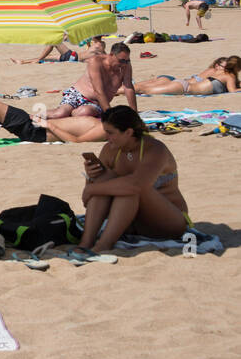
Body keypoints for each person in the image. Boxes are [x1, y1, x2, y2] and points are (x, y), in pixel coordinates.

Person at [78, 106, 188, 252]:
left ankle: (103, 245)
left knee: (130, 189)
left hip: (168, 222)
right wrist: (92, 178)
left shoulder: (155, 149)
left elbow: (136, 185)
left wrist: (91, 188)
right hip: (132, 222)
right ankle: (86, 243)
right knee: (107, 183)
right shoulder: (110, 150)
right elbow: (89, 201)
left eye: (110, 133)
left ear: (129, 132)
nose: (106, 137)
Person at [0, 99, 108, 149]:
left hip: (37, 132)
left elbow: (76, 141)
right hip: (38, 126)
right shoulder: (100, 124)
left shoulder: (102, 130)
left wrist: (49, 125)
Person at [46, 43, 136, 119]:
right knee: (60, 114)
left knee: (84, 112)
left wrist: (134, 114)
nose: (124, 63)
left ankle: (71, 115)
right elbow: (98, 91)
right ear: (111, 55)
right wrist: (110, 115)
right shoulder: (96, 61)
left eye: (127, 61)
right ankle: (34, 117)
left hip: (96, 102)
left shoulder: (126, 66)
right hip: (76, 94)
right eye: (121, 60)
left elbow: (128, 88)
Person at [134, 56, 240, 95]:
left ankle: (120, 90)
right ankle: (119, 90)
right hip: (183, 88)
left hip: (182, 85)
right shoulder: (229, 76)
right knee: (144, 90)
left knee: (144, 88)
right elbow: (232, 90)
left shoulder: (220, 72)